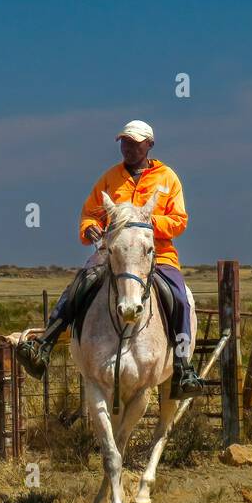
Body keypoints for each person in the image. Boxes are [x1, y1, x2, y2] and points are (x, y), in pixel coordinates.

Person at [16, 119, 208, 399]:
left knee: (178, 296)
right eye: (125, 142)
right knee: (79, 285)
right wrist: (89, 228)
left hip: (157, 253)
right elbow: (90, 213)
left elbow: (179, 220)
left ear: (149, 145)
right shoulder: (110, 177)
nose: (128, 148)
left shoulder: (168, 178)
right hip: (111, 253)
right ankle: (44, 345)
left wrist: (144, 223)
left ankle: (183, 367)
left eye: (135, 143)